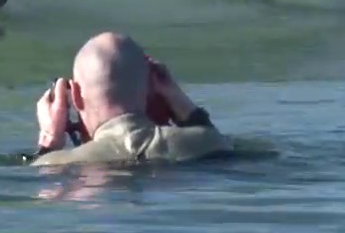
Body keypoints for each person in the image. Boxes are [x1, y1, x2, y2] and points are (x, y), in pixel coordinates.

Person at [25, 32, 233, 166]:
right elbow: (218, 146)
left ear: (77, 96)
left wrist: (48, 142)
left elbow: (45, 192)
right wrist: (182, 103)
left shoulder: (56, 165)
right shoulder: (207, 143)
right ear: (152, 89)